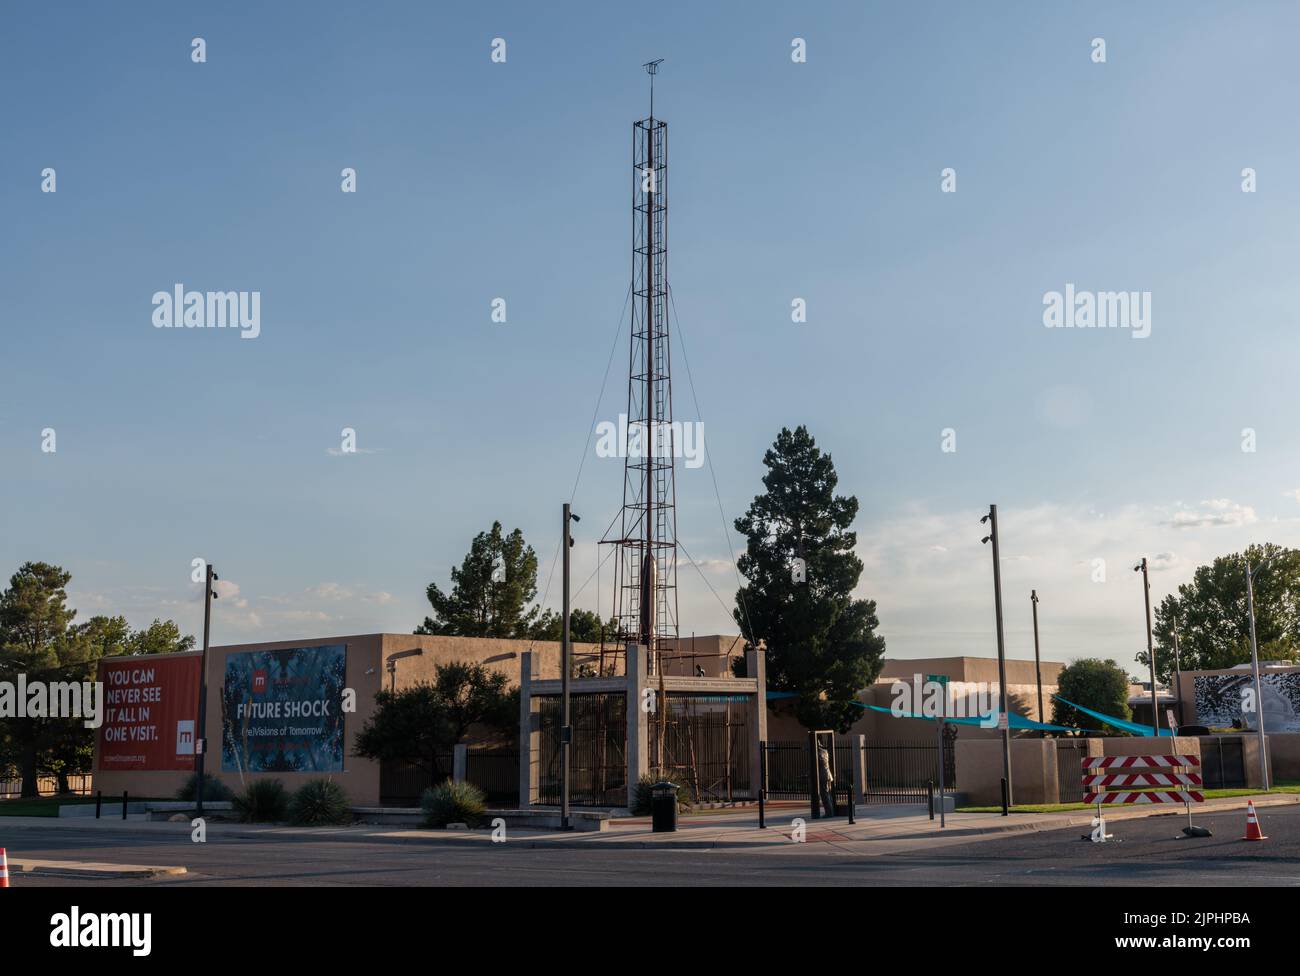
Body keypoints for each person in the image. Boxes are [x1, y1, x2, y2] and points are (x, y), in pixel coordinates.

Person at [817, 741, 836, 817]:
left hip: (823, 776)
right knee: (827, 794)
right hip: (827, 774)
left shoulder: (818, 753)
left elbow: (819, 764)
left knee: (824, 794)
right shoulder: (824, 751)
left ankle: (829, 813)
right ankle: (830, 811)